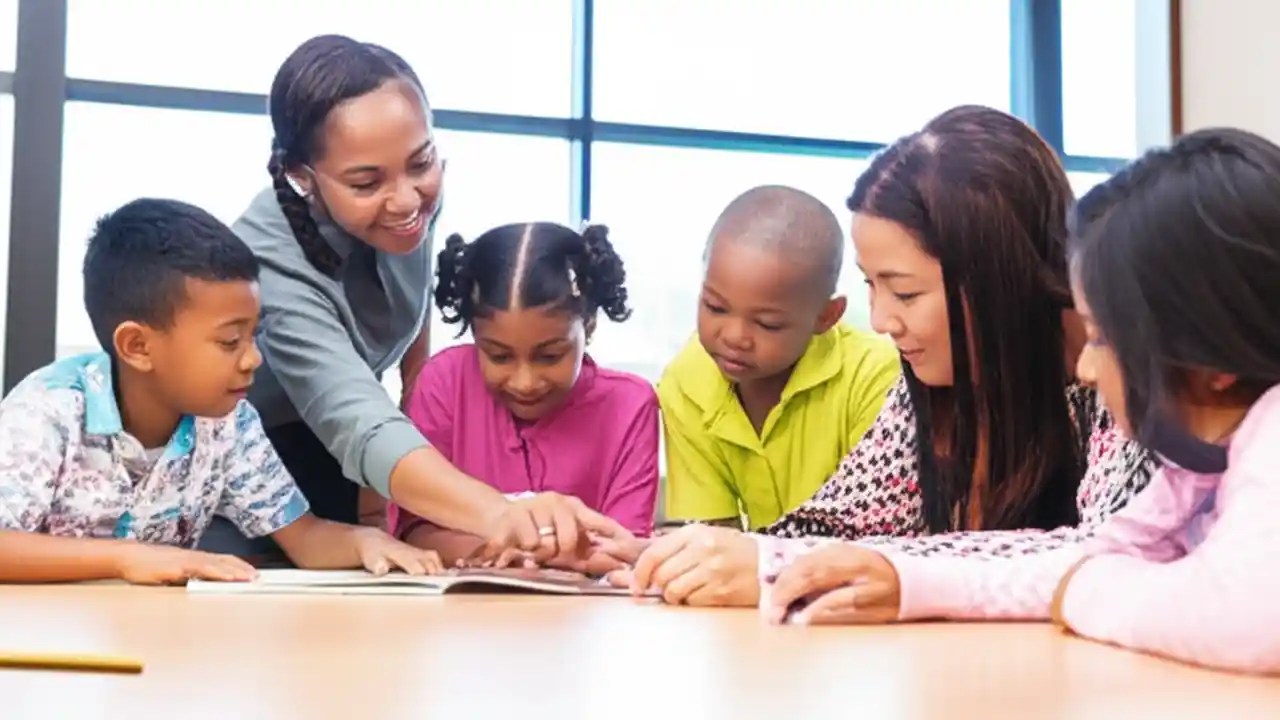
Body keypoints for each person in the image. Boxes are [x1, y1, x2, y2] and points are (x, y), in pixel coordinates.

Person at [764, 127, 1280, 675]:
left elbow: (1246, 622)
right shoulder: (1196, 459)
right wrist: (907, 583)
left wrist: (1084, 592)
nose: (1086, 365)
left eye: (1101, 337)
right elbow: (1096, 554)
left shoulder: (1244, 431)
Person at [620, 106, 1153, 606]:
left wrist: (786, 564)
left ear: (995, 279)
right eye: (871, 285)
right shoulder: (930, 375)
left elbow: (1095, 559)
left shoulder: (1124, 371)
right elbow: (838, 525)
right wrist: (652, 557)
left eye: (905, 293)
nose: (880, 320)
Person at [226, 34, 623, 564]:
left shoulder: (409, 205)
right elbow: (357, 421)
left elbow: (410, 319)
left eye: (421, 162)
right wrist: (502, 512)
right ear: (303, 177)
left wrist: (417, 394)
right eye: (367, 183)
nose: (408, 199)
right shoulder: (269, 262)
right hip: (246, 462)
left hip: (351, 452)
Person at [0, 199, 443, 584]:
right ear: (137, 346)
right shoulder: (48, 412)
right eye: (230, 342)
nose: (253, 359)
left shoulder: (230, 422)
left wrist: (365, 541)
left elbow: (304, 539)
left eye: (256, 335)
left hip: (159, 644)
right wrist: (127, 559)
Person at [390, 222, 659, 568]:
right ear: (474, 333)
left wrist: (535, 551)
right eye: (499, 356)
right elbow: (414, 530)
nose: (525, 382)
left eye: (550, 356)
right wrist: (495, 550)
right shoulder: (444, 382)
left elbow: (624, 548)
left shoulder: (630, 405)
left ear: (589, 325)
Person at [658, 185, 900, 531]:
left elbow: (876, 535)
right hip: (755, 576)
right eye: (714, 306)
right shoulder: (686, 381)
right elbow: (713, 535)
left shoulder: (875, 376)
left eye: (767, 324)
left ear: (825, 317)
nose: (734, 336)